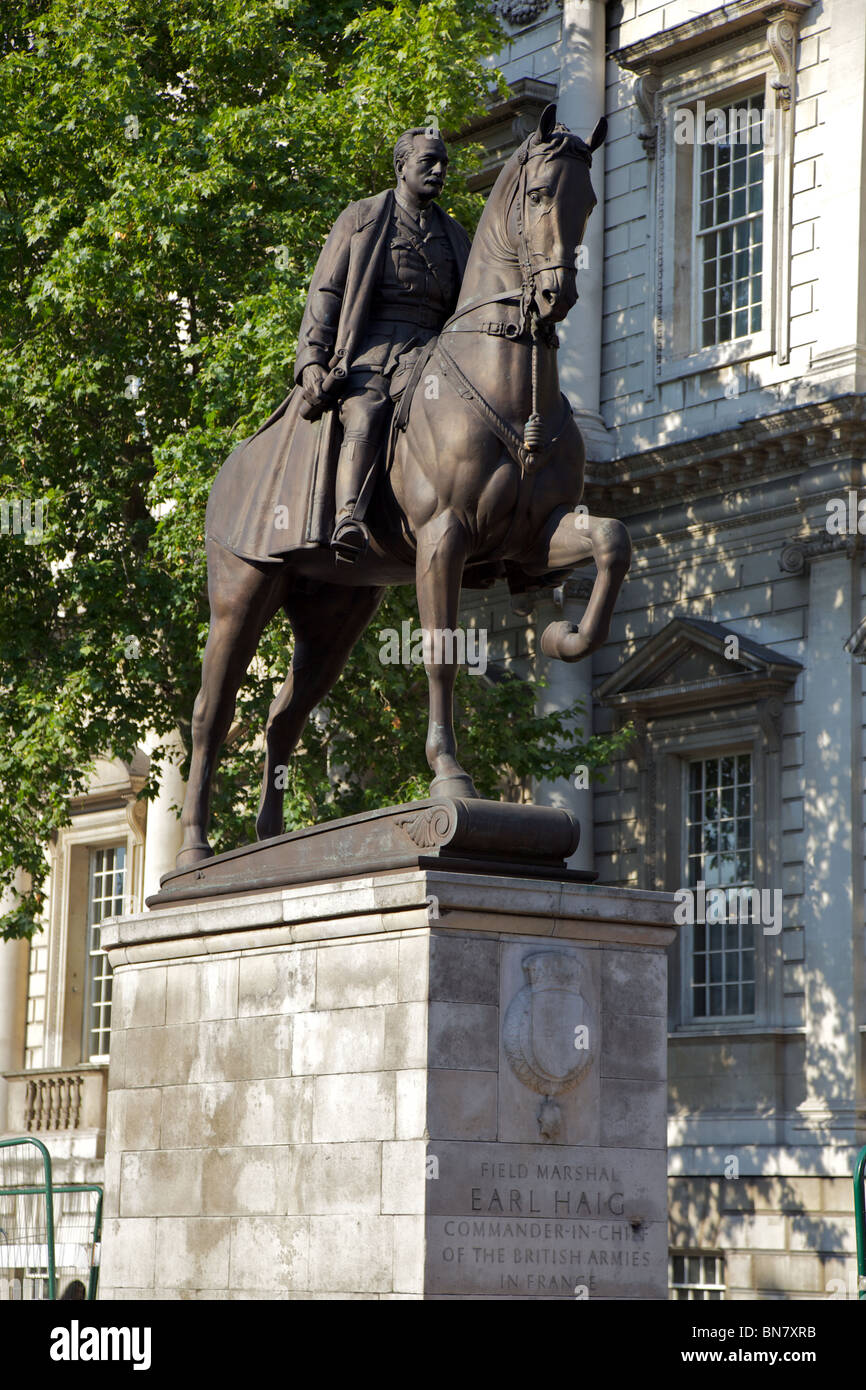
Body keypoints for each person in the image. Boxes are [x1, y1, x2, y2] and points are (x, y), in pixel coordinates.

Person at [293, 126, 471, 561]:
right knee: (366, 411)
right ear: (401, 166)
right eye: (429, 162)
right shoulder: (363, 217)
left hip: (437, 355)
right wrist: (313, 358)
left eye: (444, 163)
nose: (439, 170)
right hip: (375, 350)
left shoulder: (455, 234)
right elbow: (327, 292)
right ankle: (349, 516)